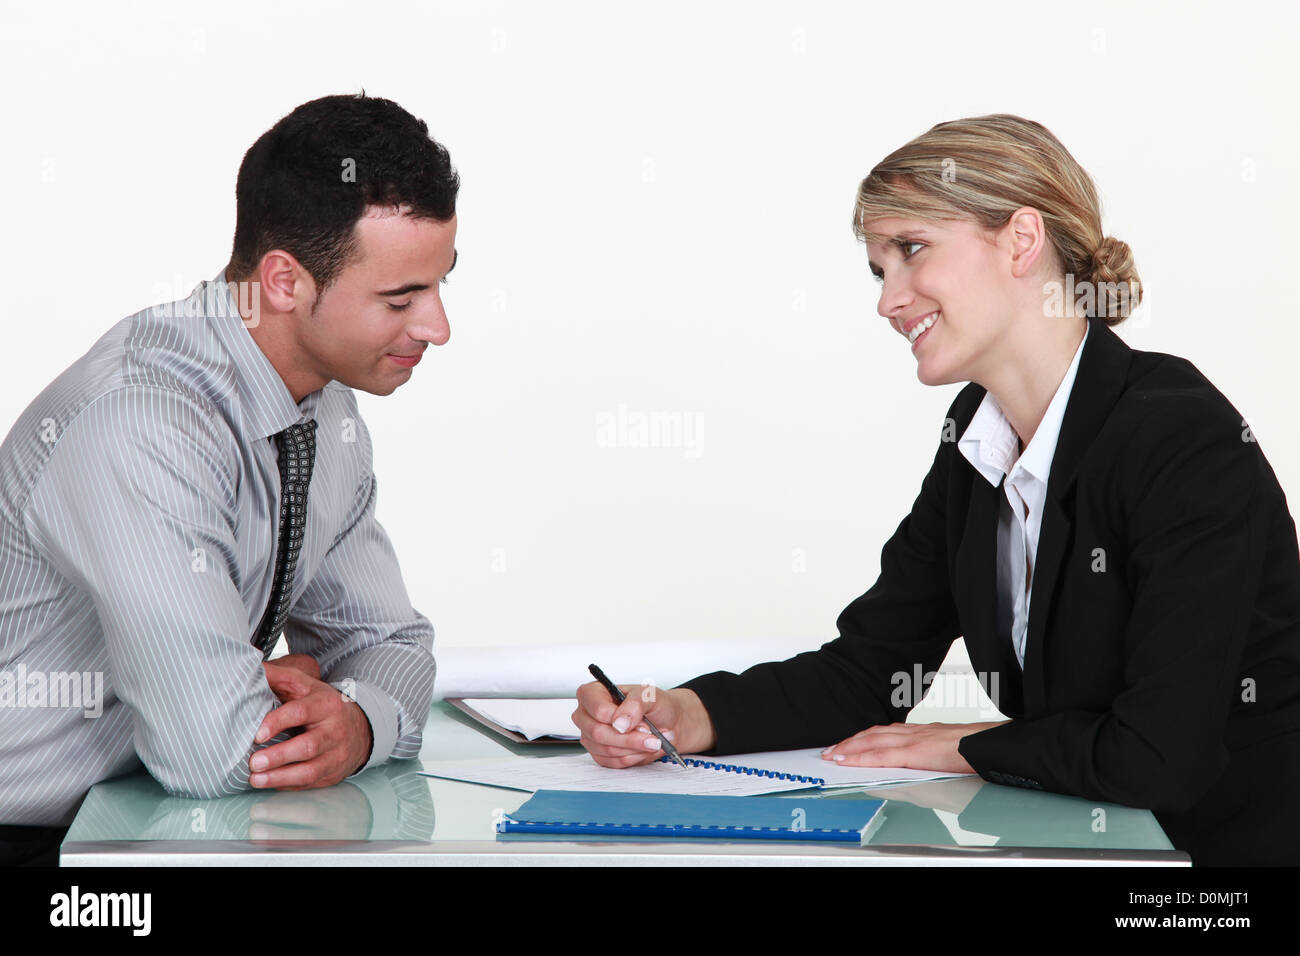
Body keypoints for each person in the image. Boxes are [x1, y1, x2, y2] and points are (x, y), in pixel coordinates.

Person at [572, 113, 1300, 866]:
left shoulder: (1180, 439)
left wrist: (965, 745)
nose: (889, 300)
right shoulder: (977, 436)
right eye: (880, 268)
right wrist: (688, 713)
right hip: (1080, 854)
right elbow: (871, 671)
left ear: (1022, 239)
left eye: (911, 250)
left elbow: (1159, 754)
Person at [0, 92, 456, 865]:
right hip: (39, 843)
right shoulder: (141, 420)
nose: (437, 327)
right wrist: (294, 685)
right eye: (401, 298)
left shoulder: (327, 410)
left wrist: (359, 719)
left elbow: (390, 643)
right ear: (284, 282)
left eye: (441, 284)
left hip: (142, 821)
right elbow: (216, 751)